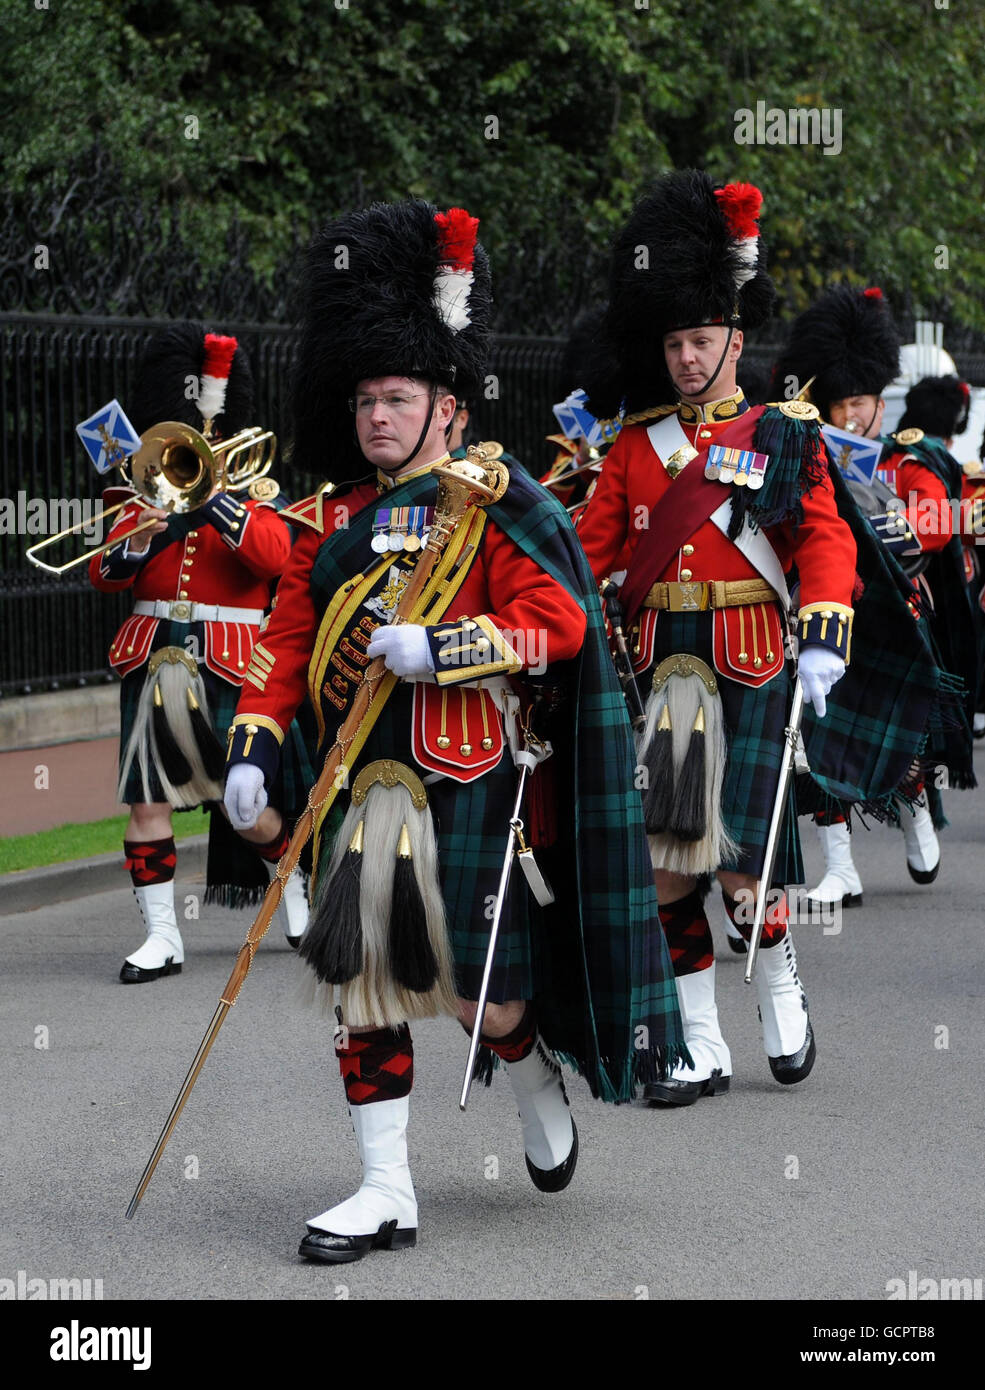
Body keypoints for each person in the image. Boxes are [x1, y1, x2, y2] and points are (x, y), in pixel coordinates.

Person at [222, 200, 685, 1263]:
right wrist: (251, 752)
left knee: (494, 988)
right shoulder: (331, 524)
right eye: (365, 399)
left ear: (446, 405)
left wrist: (448, 647)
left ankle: (530, 1071)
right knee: (360, 979)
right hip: (362, 779)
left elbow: (559, 625)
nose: (375, 417)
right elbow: (285, 651)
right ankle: (386, 1184)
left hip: (470, 773)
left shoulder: (494, 500)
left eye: (396, 398)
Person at [578, 171, 859, 1103]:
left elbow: (821, 533)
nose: (687, 357)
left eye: (702, 340)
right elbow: (587, 552)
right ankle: (698, 1040)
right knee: (667, 868)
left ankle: (778, 986)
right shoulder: (633, 446)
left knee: (744, 869)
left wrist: (821, 629)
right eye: (674, 343)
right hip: (665, 667)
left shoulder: (781, 430)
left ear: (736, 341)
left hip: (753, 658)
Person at [89, 325, 311, 983]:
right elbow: (105, 575)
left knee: (243, 803)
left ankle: (291, 887)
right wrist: (140, 538)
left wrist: (213, 499)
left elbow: (274, 559)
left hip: (229, 655)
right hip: (154, 652)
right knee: (146, 801)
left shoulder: (257, 486)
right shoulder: (135, 485)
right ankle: (163, 936)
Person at [773, 293, 976, 902]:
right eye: (839, 403)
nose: (849, 414)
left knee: (901, 735)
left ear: (878, 404)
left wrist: (894, 526)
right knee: (820, 733)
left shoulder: (904, 460)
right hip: (828, 614)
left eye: (858, 402)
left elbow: (935, 524)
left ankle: (915, 811)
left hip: (892, 613)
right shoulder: (810, 458)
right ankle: (841, 868)